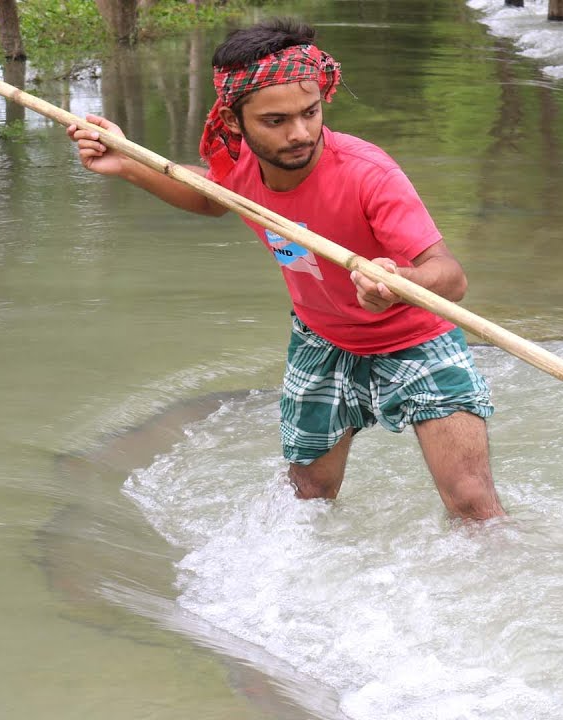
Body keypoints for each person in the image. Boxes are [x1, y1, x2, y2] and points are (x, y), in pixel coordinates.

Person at [66, 19, 505, 520]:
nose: (300, 134)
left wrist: (403, 281)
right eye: (276, 121)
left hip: (417, 338)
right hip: (322, 341)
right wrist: (128, 163)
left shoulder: (368, 172)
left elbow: (450, 277)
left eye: (310, 113)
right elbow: (212, 196)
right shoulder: (240, 167)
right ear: (234, 122)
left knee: (472, 502)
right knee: (307, 496)